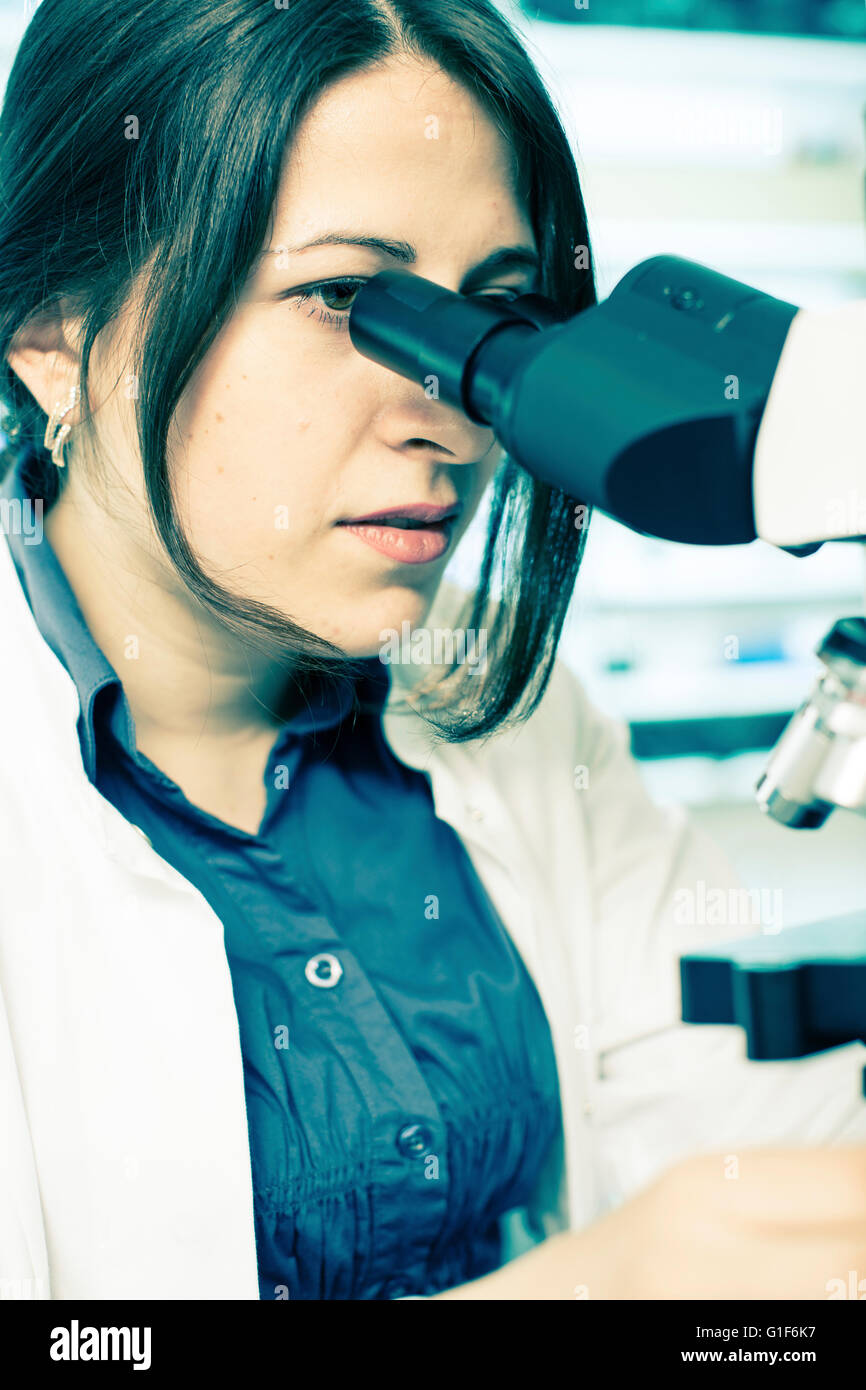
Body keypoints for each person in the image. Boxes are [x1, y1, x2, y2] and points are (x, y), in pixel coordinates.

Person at [0, 0, 864, 1302]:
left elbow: (752, 1158)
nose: (447, 419)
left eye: (498, 315)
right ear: (57, 336)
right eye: (346, 297)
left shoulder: (510, 722)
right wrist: (582, 1292)